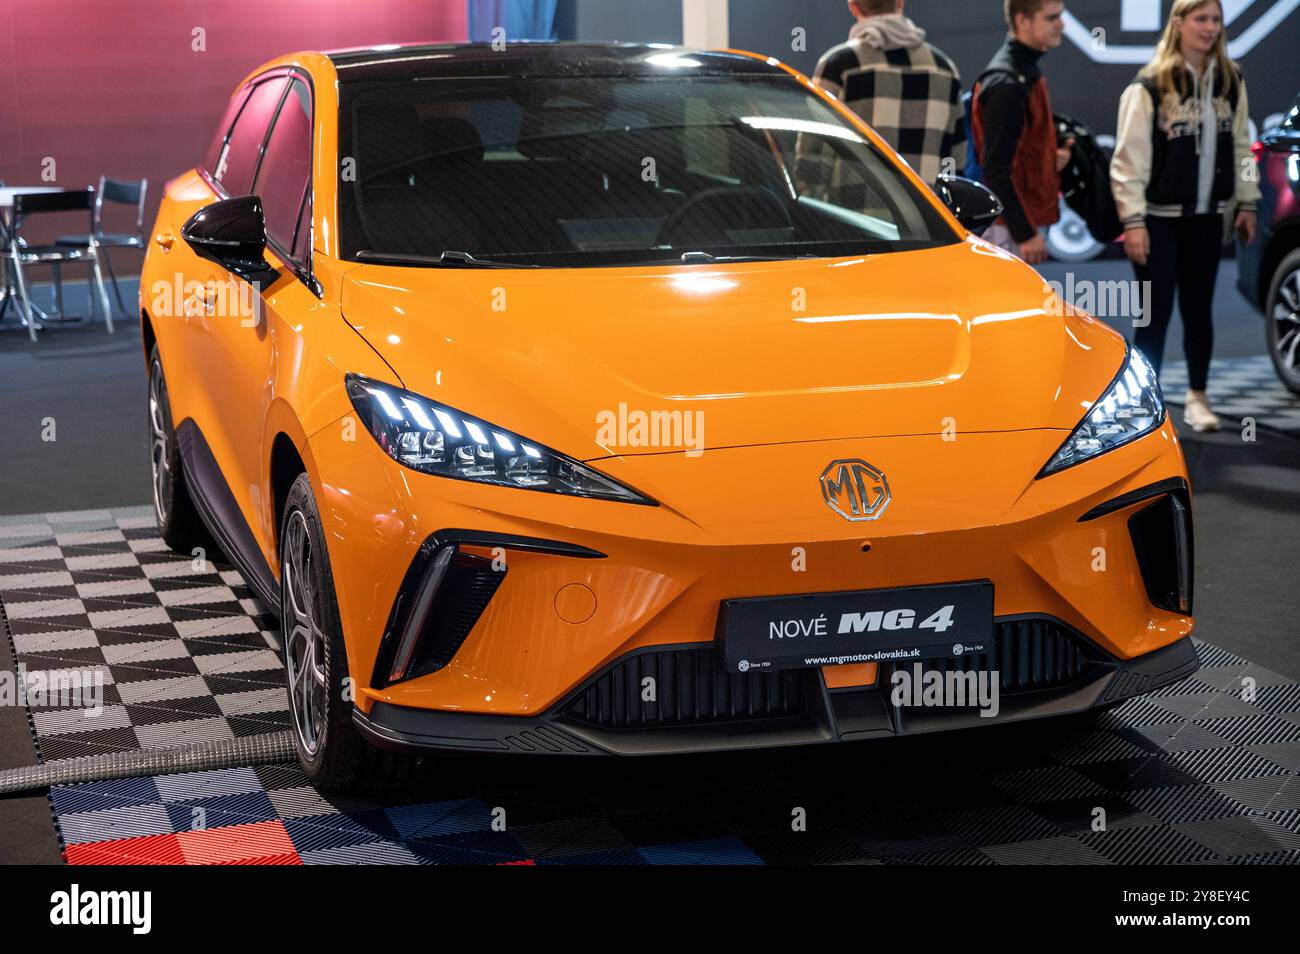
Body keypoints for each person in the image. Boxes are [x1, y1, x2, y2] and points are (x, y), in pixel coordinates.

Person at [1111, 0, 1259, 433]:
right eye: (1201, 19)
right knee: (1153, 317)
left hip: (1207, 218)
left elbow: (1242, 148)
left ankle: (1197, 397)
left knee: (1199, 311)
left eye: (1215, 20)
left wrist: (1246, 202)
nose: (1210, 28)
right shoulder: (1150, 84)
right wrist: (1133, 220)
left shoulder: (1231, 80)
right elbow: (1127, 161)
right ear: (1178, 23)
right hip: (1157, 220)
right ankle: (1147, 407)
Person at [810, 0, 964, 186]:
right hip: (925, 213)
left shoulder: (837, 65)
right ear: (900, 2)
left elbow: (813, 155)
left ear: (853, 6)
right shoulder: (945, 69)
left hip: (852, 211)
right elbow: (957, 158)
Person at [971, 0, 1073, 264]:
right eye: (1051, 18)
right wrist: (1025, 232)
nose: (1061, 24)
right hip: (1010, 230)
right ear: (1022, 22)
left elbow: (1021, 148)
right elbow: (996, 170)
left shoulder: (1023, 72)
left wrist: (1050, 156)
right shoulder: (1008, 83)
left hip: (1018, 223)